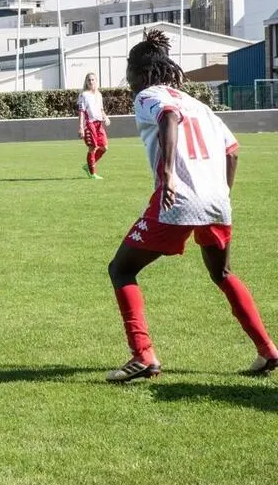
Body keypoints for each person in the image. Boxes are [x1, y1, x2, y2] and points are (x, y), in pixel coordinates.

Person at [105, 29, 278, 382]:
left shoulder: (149, 96)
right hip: (216, 200)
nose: (128, 80)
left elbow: (168, 115)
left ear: (141, 73)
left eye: (129, 72)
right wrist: (221, 194)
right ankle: (268, 350)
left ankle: (143, 355)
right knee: (223, 274)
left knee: (121, 269)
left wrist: (168, 175)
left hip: (177, 197)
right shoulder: (198, 104)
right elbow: (232, 150)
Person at [77, 72, 110, 179]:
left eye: (92, 80)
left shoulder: (99, 95)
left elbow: (101, 109)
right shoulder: (84, 95)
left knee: (104, 147)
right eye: (89, 80)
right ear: (86, 82)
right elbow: (81, 111)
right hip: (89, 124)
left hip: (99, 123)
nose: (91, 82)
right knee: (93, 147)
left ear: (96, 81)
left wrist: (105, 117)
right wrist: (81, 127)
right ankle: (92, 173)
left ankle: (89, 165)